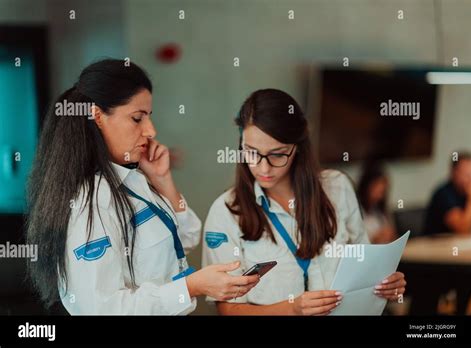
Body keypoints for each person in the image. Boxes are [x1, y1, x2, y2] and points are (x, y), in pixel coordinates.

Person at [26, 59, 259, 315]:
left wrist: (163, 180)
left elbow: (185, 236)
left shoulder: (132, 179)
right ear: (97, 117)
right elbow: (102, 310)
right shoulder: (91, 201)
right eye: (137, 118)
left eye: (148, 117)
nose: (151, 130)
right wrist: (190, 287)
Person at [202, 88, 406, 315]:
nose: (263, 167)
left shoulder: (337, 188)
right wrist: (291, 309)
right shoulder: (227, 211)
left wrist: (385, 285)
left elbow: (363, 268)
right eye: (251, 152)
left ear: (298, 148)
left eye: (278, 154)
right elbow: (228, 310)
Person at [424, 151, 471, 235]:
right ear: (454, 172)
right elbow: (462, 229)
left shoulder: (466, 193)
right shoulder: (443, 194)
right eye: (466, 174)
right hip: (435, 244)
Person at [357, 162, 397, 244]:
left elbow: (393, 237)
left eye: (382, 192)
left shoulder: (379, 210)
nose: (379, 196)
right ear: (366, 186)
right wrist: (373, 239)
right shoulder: (354, 210)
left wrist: (390, 235)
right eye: (376, 190)